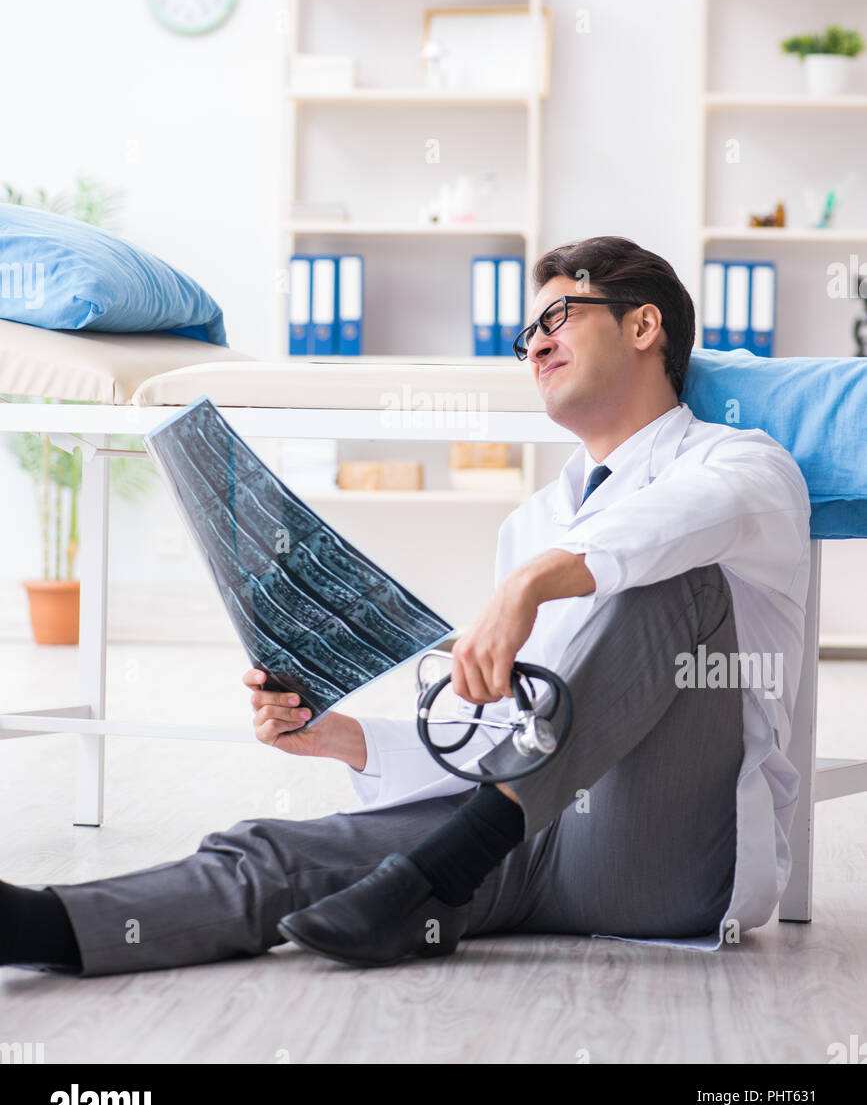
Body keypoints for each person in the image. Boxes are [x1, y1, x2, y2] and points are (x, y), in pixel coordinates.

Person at [0, 236, 811, 976]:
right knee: (276, 852)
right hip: (518, 836)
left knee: (673, 582)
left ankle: (445, 864)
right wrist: (342, 740)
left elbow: (681, 523)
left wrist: (531, 582)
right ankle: (37, 927)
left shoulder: (741, 461)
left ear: (643, 327)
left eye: (557, 316)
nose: (534, 345)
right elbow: (507, 733)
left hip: (663, 857)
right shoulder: (531, 521)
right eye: (524, 335)